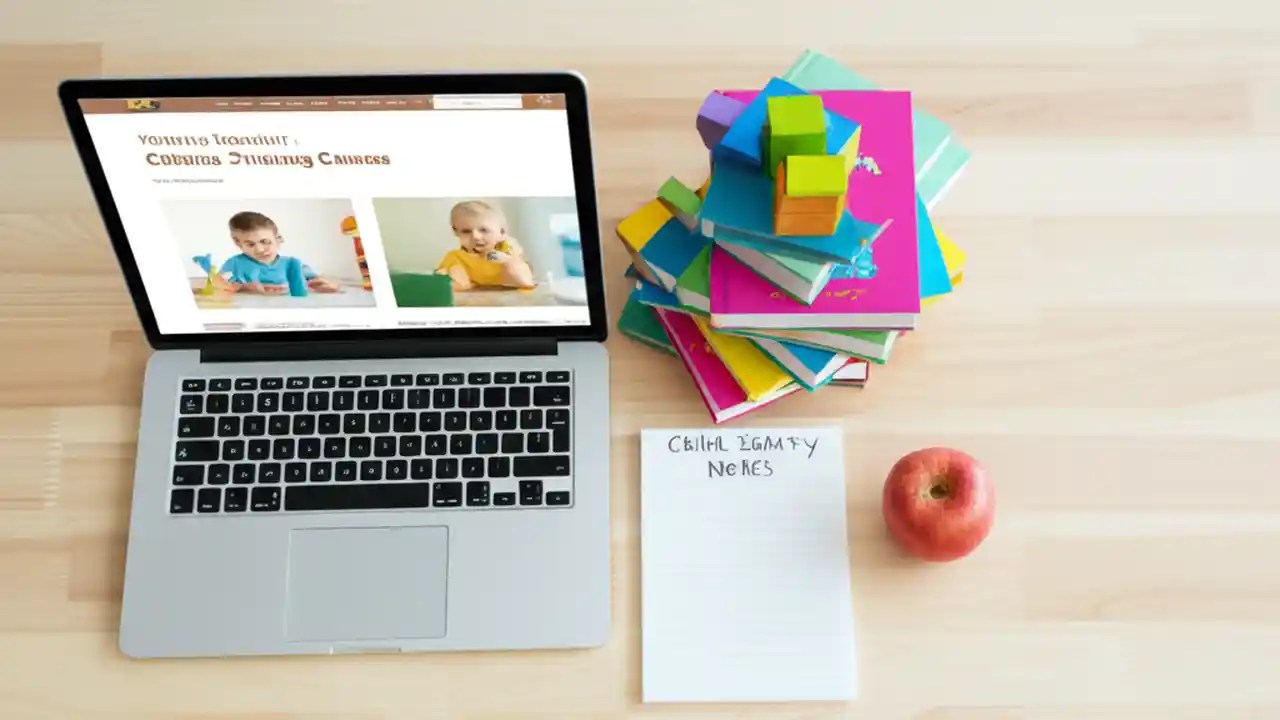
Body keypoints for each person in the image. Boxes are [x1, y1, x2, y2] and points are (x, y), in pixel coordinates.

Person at [218, 211, 339, 294]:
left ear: (278, 240)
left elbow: (322, 282)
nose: (259, 249)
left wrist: (329, 286)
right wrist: (244, 287)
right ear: (238, 243)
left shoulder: (293, 266)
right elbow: (216, 287)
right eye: (250, 244)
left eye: (265, 242)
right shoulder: (234, 264)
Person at [435, 200, 535, 291]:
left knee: (515, 266)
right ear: (456, 233)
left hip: (510, 295)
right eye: (466, 231)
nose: (476, 237)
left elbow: (527, 282)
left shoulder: (508, 250)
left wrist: (508, 261)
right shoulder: (456, 257)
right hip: (475, 298)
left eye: (484, 230)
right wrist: (445, 276)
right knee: (452, 270)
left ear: (502, 232)